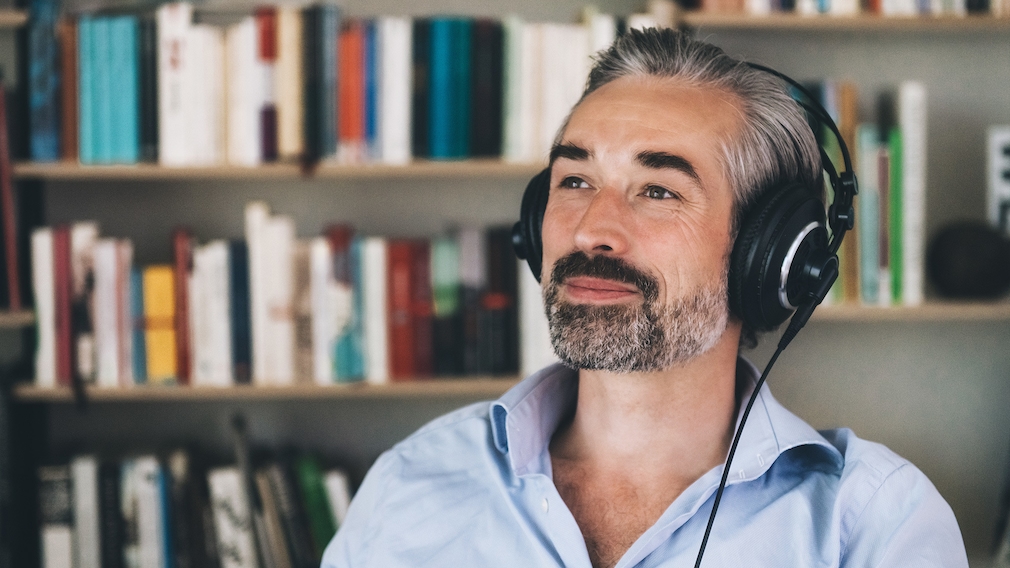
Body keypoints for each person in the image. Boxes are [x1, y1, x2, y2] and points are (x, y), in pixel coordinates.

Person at [321, 27, 967, 568]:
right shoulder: (410, 486)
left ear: (769, 256)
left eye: (658, 190)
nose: (591, 229)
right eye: (574, 180)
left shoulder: (876, 528)